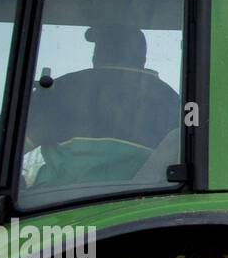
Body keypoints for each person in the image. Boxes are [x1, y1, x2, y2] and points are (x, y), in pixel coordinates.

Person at [26, 25, 181, 167]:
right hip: (151, 193)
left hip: (60, 193)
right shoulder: (172, 101)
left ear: (96, 56)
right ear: (143, 60)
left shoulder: (61, 89)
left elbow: (13, 138)